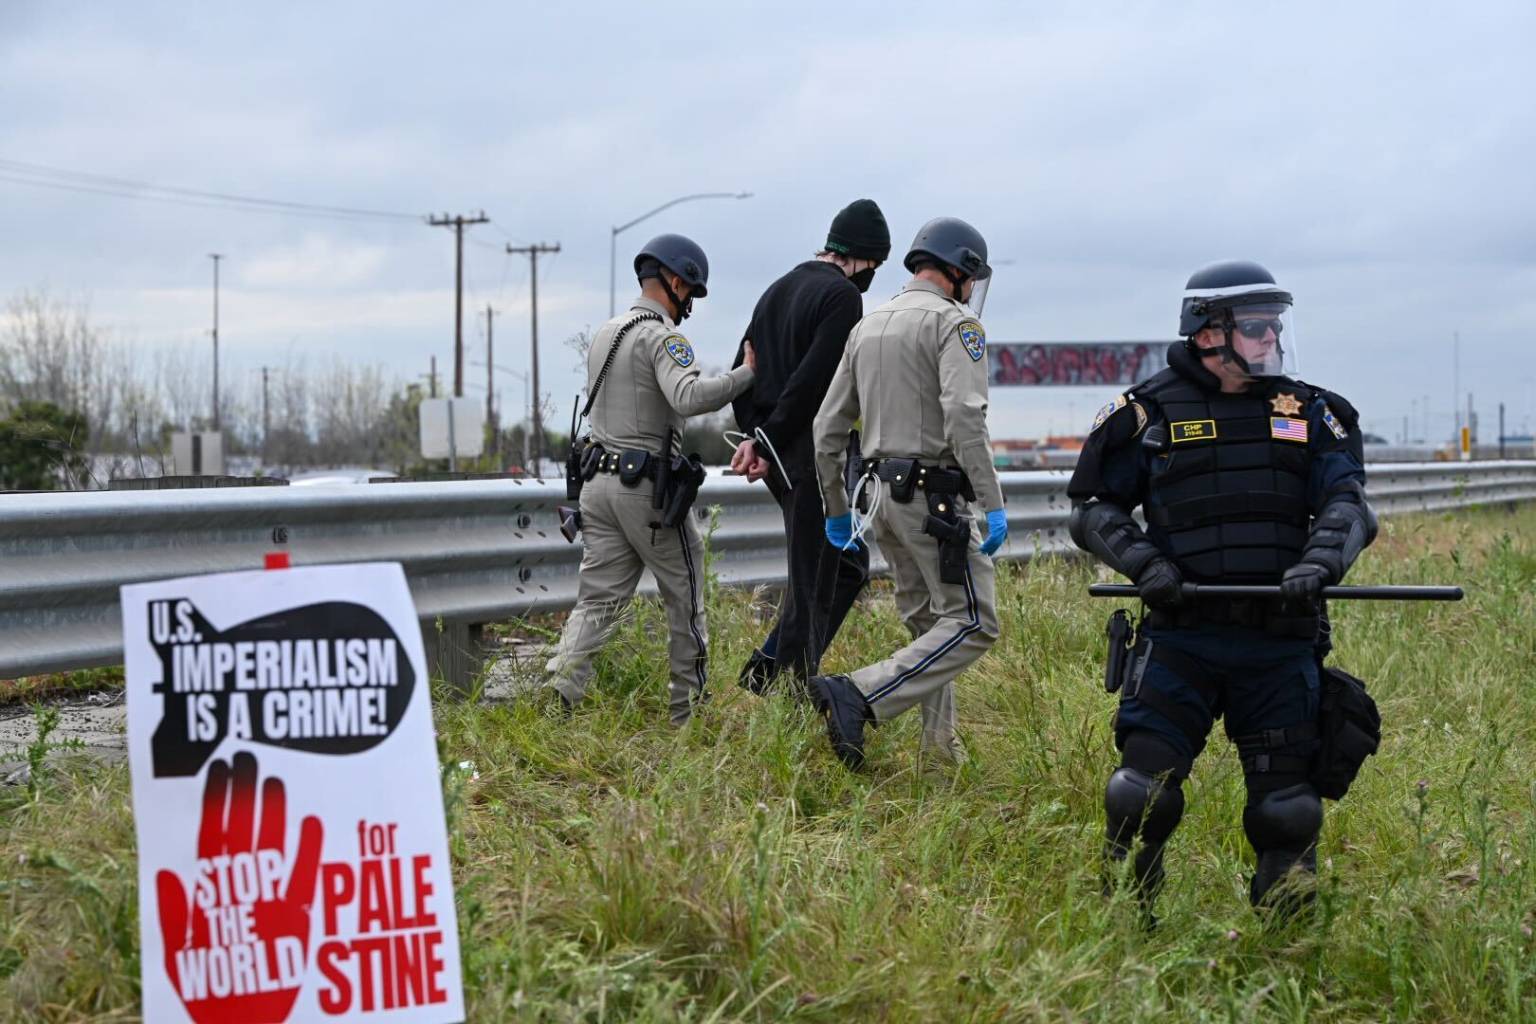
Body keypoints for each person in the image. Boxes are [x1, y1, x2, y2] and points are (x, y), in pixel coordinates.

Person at [1067, 260, 1377, 920]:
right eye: (1259, 327)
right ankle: (1125, 928)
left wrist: (1319, 565)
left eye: (1276, 327)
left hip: (1279, 641)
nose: (1272, 340)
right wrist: (1146, 565)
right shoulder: (1144, 413)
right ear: (1209, 333)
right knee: (1140, 796)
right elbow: (1093, 510)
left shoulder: (1312, 411)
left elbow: (1350, 506)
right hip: (1182, 637)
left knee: (1288, 811)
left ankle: (1285, 950)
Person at [805, 217, 1008, 769]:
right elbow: (965, 416)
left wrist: (836, 508)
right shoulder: (955, 325)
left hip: (879, 500)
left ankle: (940, 753)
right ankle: (861, 693)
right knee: (973, 621)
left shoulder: (867, 327)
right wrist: (993, 503)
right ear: (960, 270)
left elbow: (827, 428)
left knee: (929, 625)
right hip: (934, 499)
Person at [544, 234, 756, 724]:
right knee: (685, 597)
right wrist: (746, 374)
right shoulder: (663, 337)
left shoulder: (606, 332)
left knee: (596, 602)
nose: (689, 307)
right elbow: (688, 397)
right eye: (691, 295)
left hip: (597, 487)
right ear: (676, 281)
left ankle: (561, 690)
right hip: (648, 495)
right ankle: (688, 711)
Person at [729, 198, 891, 695]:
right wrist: (770, 439)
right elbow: (814, 380)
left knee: (846, 565)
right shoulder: (843, 298)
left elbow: (744, 369)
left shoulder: (777, 289)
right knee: (816, 578)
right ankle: (796, 694)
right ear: (863, 256)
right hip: (812, 458)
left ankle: (767, 666)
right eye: (875, 266)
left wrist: (756, 436)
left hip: (779, 457)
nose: (871, 277)